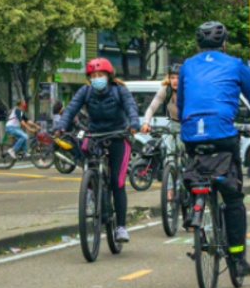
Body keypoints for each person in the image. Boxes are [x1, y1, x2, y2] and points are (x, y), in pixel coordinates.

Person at [177, 21, 250, 278]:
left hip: (191, 134)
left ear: (198, 44)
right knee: (233, 198)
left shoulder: (187, 66)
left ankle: (192, 204)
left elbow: (181, 103)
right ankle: (238, 259)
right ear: (225, 43)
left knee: (194, 170)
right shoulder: (235, 64)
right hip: (222, 135)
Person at [54, 58, 140, 242]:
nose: (96, 78)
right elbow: (70, 109)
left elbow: (131, 107)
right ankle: (92, 186)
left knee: (117, 181)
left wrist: (134, 123)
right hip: (95, 135)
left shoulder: (119, 90)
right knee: (85, 151)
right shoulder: (85, 91)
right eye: (93, 76)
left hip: (118, 136)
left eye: (100, 75)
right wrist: (61, 126)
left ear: (109, 76)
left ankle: (121, 227)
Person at [140, 64, 181, 133]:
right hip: (174, 124)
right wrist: (146, 123)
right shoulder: (166, 90)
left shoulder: (189, 90)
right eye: (172, 78)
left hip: (190, 124)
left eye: (178, 78)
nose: (175, 81)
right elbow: (152, 108)